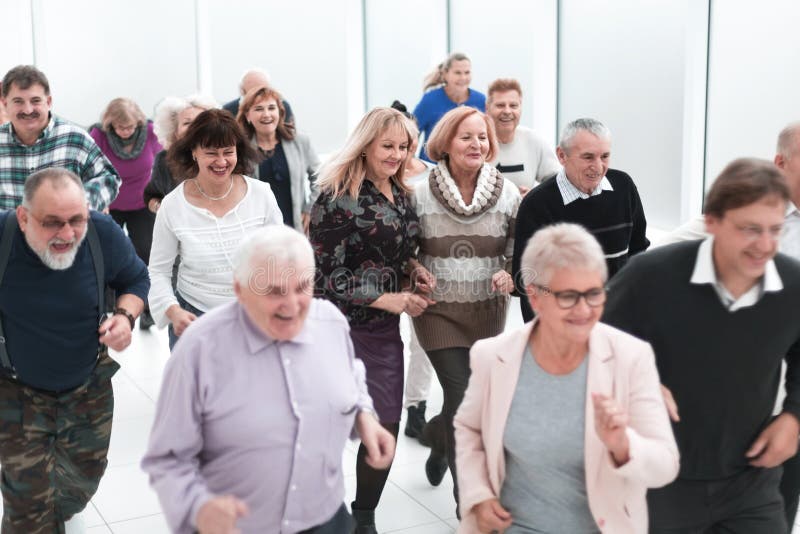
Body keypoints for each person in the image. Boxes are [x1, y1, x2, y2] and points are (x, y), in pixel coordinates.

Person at [142, 225, 395, 533]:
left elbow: (351, 375)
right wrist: (197, 508)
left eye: (302, 287)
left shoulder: (330, 321)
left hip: (326, 518)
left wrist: (363, 416)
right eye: (274, 291)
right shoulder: (199, 349)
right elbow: (166, 459)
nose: (291, 305)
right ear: (239, 290)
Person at [603, 158, 800, 533]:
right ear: (711, 221)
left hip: (751, 480)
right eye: (750, 230)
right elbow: (595, 344)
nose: (765, 246)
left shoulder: (793, 285)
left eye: (775, 230)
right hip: (661, 481)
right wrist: (636, 382)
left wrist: (794, 415)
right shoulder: (651, 275)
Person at [455, 223, 679, 534]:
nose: (584, 309)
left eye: (594, 294)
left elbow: (665, 464)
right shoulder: (492, 356)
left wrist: (622, 444)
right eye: (569, 296)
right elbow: (469, 429)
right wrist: (478, 495)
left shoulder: (631, 357)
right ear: (534, 297)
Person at [0, 168, 149, 532]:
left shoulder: (102, 234)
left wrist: (126, 317)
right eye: (52, 223)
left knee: (80, 483)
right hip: (17, 390)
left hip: (88, 387)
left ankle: (57, 508)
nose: (67, 234)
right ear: (23, 217)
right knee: (30, 509)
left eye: (76, 220)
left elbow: (135, 278)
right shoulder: (2, 237)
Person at [309, 107, 435, 534]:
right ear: (365, 145)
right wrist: (391, 299)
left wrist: (413, 267)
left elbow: (398, 248)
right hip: (335, 328)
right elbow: (325, 275)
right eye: (388, 146)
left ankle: (364, 515)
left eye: (403, 147)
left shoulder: (400, 193)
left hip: (382, 332)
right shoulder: (335, 196)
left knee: (385, 423)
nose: (397, 155)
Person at [411, 106, 520, 510]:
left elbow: (516, 249)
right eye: (466, 137)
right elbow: (406, 250)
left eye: (482, 137)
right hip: (437, 312)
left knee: (470, 402)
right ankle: (468, 502)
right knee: (462, 397)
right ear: (445, 143)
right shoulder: (419, 193)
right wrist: (415, 269)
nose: (477, 144)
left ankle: (441, 439)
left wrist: (510, 273)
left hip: (487, 315)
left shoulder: (507, 193)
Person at [148, 109, 282, 350]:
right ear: (194, 153)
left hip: (253, 316)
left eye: (228, 152)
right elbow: (158, 271)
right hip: (193, 318)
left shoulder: (261, 195)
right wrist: (173, 310)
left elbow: (281, 258)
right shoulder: (173, 205)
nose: (221, 162)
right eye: (211, 153)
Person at [512, 118, 649, 322]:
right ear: (561, 155)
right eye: (588, 157)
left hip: (617, 319)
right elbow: (527, 277)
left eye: (605, 156)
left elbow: (637, 251)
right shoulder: (537, 204)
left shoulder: (624, 187)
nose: (598, 166)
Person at [0, 65, 120, 211]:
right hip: (8, 232)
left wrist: (80, 205)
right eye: (18, 101)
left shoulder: (75, 139)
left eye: (35, 100)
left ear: (49, 102)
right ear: (5, 104)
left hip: (65, 232)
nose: (27, 109)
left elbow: (108, 179)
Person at [90, 98, 162, 329]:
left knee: (146, 251)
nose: (125, 132)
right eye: (120, 128)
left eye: (130, 127)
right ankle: (110, 307)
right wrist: (97, 200)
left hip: (142, 203)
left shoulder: (150, 131)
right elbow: (90, 168)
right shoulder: (99, 135)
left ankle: (148, 307)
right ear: (111, 124)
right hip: (110, 203)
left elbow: (162, 163)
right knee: (108, 254)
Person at [390, 100, 436, 442]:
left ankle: (419, 406)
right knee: (406, 342)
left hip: (428, 265)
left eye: (408, 139)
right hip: (394, 266)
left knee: (425, 342)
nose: (403, 147)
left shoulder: (433, 173)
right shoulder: (383, 176)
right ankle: (407, 405)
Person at [237, 85, 319, 232]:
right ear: (248, 116)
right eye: (258, 109)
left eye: (271, 108)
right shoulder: (241, 149)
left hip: (295, 227)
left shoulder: (300, 141)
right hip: (257, 230)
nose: (266, 114)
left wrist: (311, 208)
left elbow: (321, 177)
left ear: (280, 112)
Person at [144, 94, 217, 214]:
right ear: (175, 132)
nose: (195, 127)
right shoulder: (164, 159)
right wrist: (160, 208)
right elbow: (152, 195)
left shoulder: (226, 156)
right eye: (187, 123)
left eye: (201, 121)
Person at [485, 78, 560, 195]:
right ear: (487, 108)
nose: (507, 111)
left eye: (513, 105)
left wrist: (534, 197)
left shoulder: (534, 141)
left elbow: (557, 183)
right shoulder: (476, 143)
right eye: (500, 105)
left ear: (521, 108)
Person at [413, 53, 486, 163]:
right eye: (457, 73)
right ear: (445, 74)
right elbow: (411, 132)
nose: (463, 78)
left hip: (467, 168)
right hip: (432, 168)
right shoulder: (430, 100)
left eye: (467, 72)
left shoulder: (480, 100)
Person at [222, 67, 294, 124]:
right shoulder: (228, 111)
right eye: (252, 92)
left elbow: (290, 134)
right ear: (242, 91)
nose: (266, 114)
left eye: (262, 91)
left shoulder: (283, 106)